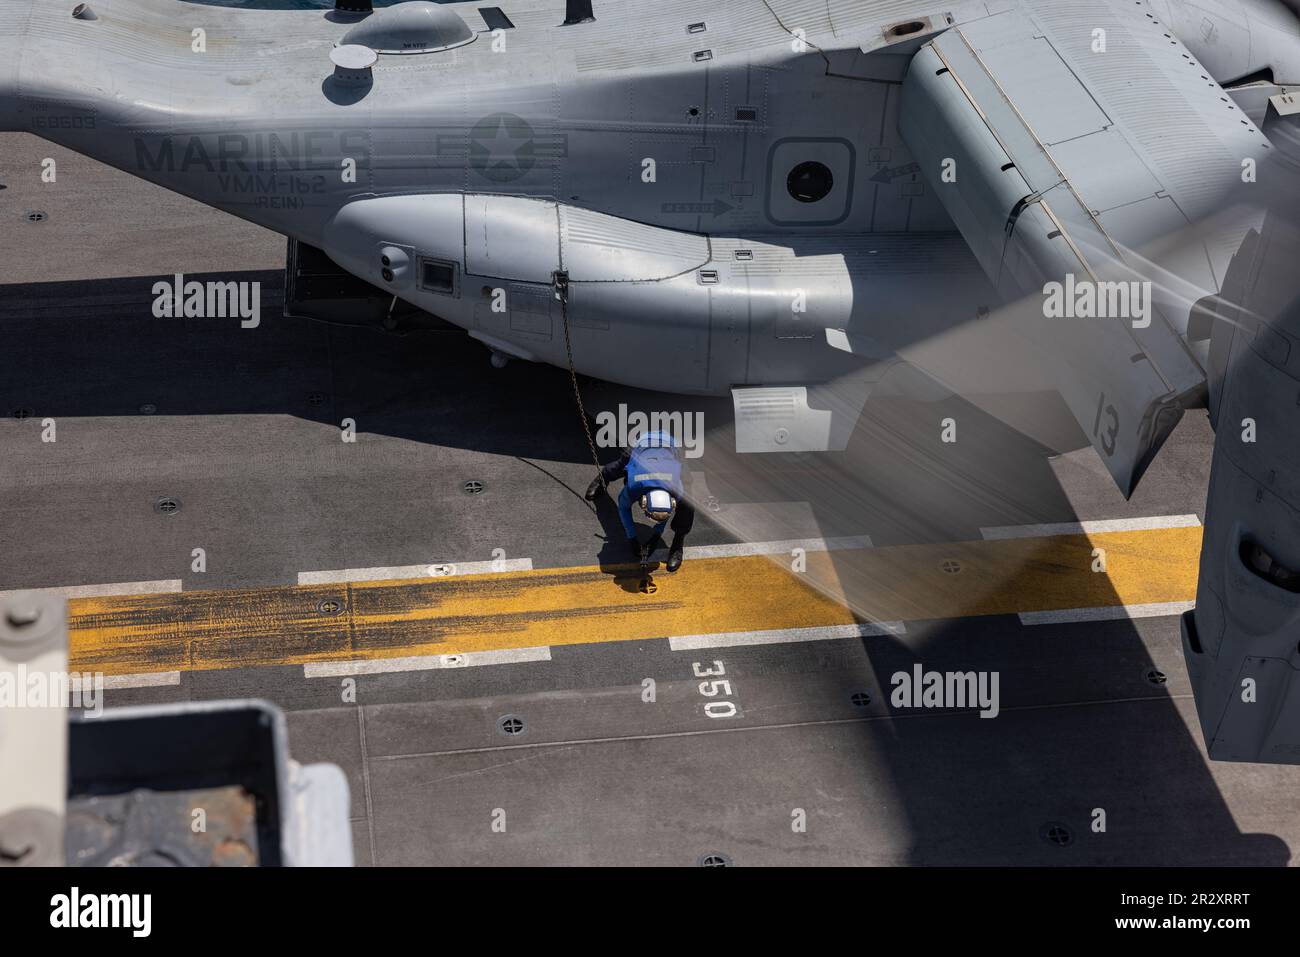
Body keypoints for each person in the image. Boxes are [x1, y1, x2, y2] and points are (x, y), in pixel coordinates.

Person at [585, 430, 694, 572]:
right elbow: (623, 507)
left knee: (689, 503)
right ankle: (603, 477)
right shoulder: (634, 486)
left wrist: (656, 535)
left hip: (670, 446)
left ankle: (678, 545)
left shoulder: (676, 491)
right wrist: (632, 538)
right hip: (643, 443)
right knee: (620, 466)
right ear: (643, 501)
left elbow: (665, 510)